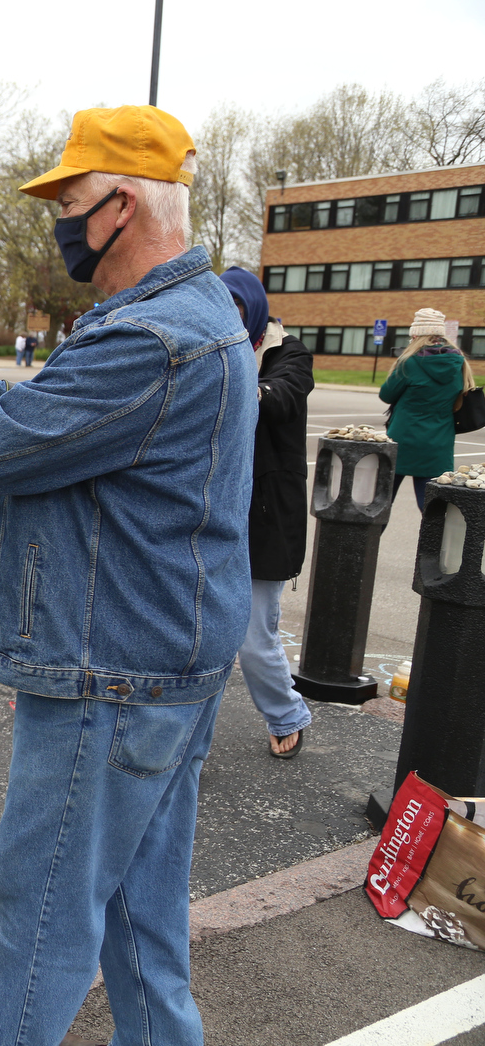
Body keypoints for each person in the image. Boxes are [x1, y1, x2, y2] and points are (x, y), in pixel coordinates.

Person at [0, 104, 253, 1046]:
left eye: (69, 202)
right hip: (164, 671)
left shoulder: (149, 338)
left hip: (110, 677)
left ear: (124, 206)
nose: (58, 221)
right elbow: (52, 427)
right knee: (142, 929)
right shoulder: (189, 315)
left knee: (36, 922)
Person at [220, 265, 314, 760]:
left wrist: (242, 388)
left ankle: (287, 714)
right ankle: (183, 741)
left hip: (266, 514)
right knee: (201, 634)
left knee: (255, 639)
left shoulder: (288, 352)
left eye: (237, 310)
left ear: (253, 309)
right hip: (212, 510)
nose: (229, 321)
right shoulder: (210, 346)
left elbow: (283, 396)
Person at [380, 308, 468, 511]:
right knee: (433, 510)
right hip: (438, 443)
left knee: (380, 504)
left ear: (415, 334)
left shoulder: (410, 362)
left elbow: (386, 395)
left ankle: (365, 543)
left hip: (403, 440)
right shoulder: (459, 363)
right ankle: (436, 544)